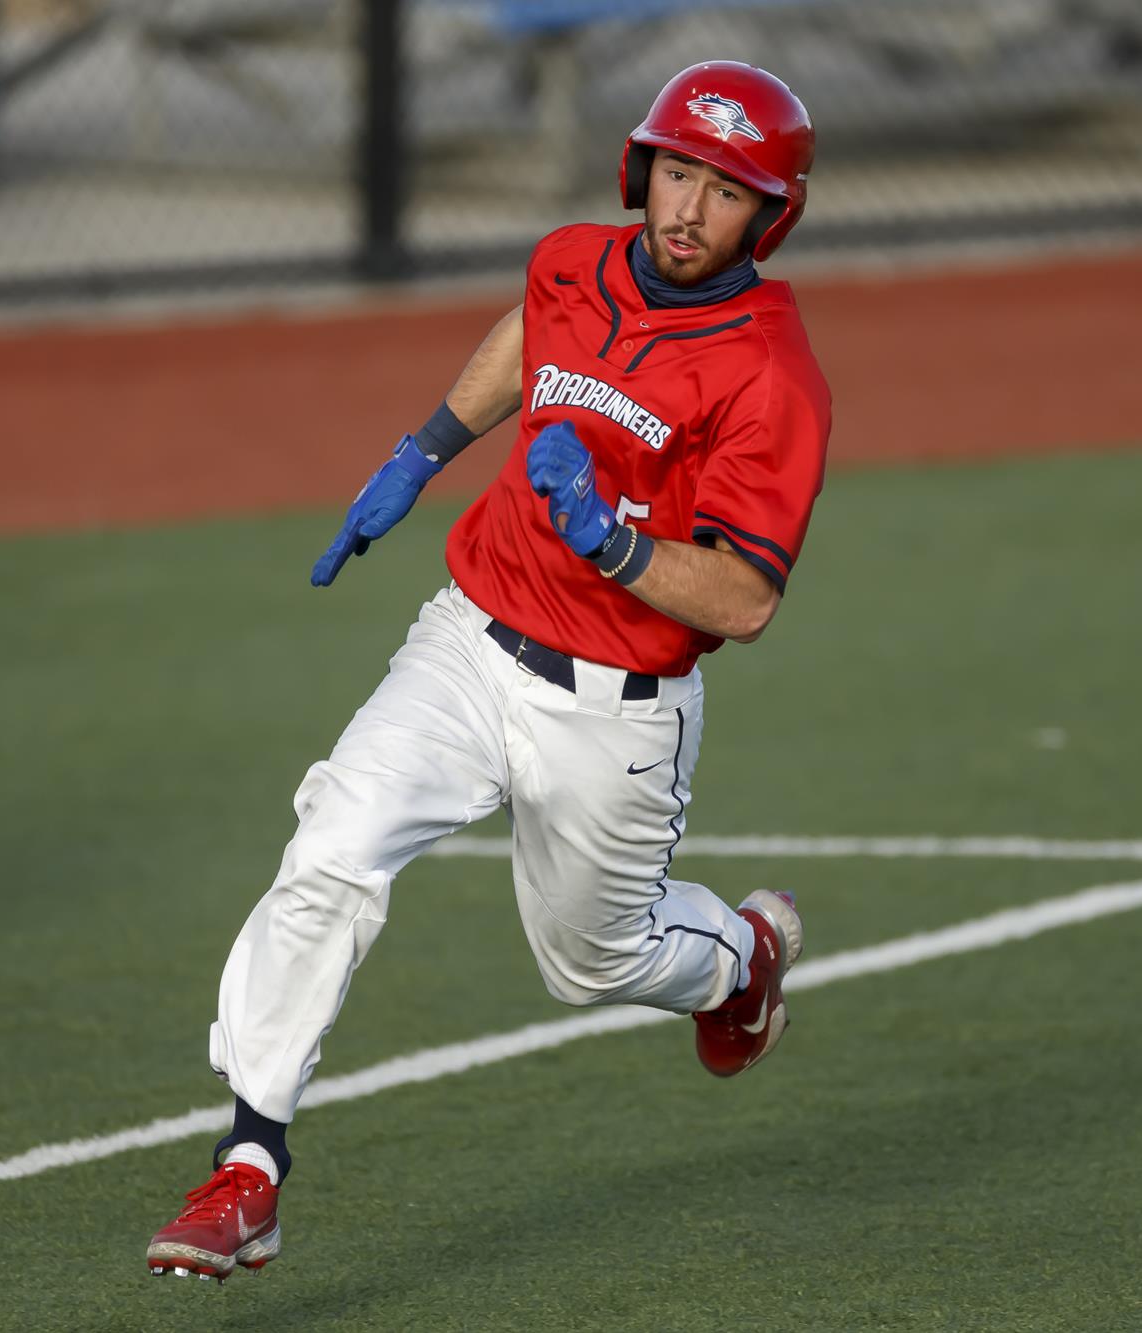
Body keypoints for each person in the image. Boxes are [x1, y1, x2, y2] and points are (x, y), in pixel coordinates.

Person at [146, 60, 832, 1283]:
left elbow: (745, 596)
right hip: (468, 635)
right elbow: (534, 332)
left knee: (591, 960)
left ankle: (740, 960)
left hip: (612, 707)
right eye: (676, 171)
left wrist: (613, 541)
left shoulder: (767, 373)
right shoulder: (572, 256)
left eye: (724, 192)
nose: (687, 210)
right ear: (640, 167)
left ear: (765, 217)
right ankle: (247, 1167)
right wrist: (420, 452)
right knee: (329, 849)